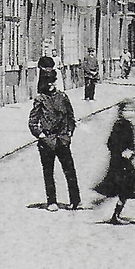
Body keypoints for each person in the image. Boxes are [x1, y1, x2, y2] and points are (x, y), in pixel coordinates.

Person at [28, 67, 81, 210]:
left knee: (70, 171)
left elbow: (71, 117)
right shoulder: (40, 99)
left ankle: (75, 201)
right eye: (47, 81)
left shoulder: (63, 97)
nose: (50, 84)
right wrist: (41, 135)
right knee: (48, 172)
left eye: (52, 81)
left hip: (62, 140)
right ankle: (52, 201)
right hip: (47, 142)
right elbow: (32, 122)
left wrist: (69, 133)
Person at [92, 99, 135, 225]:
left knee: (124, 188)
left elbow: (131, 143)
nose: (130, 113)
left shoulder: (129, 125)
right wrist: (121, 152)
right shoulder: (119, 125)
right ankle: (113, 213)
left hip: (125, 162)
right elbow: (111, 142)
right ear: (121, 112)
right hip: (119, 162)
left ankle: (114, 213)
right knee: (121, 187)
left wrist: (131, 150)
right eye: (126, 110)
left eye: (132, 110)